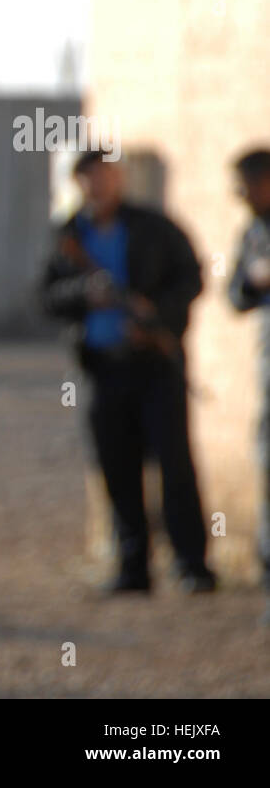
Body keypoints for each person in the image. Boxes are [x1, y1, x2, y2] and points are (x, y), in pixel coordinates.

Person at [40, 150, 214, 595]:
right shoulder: (69, 236)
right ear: (80, 182)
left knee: (174, 465)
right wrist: (84, 293)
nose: (102, 185)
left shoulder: (153, 226)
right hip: (103, 368)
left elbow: (191, 277)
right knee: (117, 468)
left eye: (108, 176)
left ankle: (192, 565)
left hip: (155, 365)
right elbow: (47, 298)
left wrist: (157, 316)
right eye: (93, 178)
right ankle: (133, 568)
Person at [226, 146, 270, 626]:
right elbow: (235, 295)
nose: (243, 195)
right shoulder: (253, 234)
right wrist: (256, 284)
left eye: (250, 183)